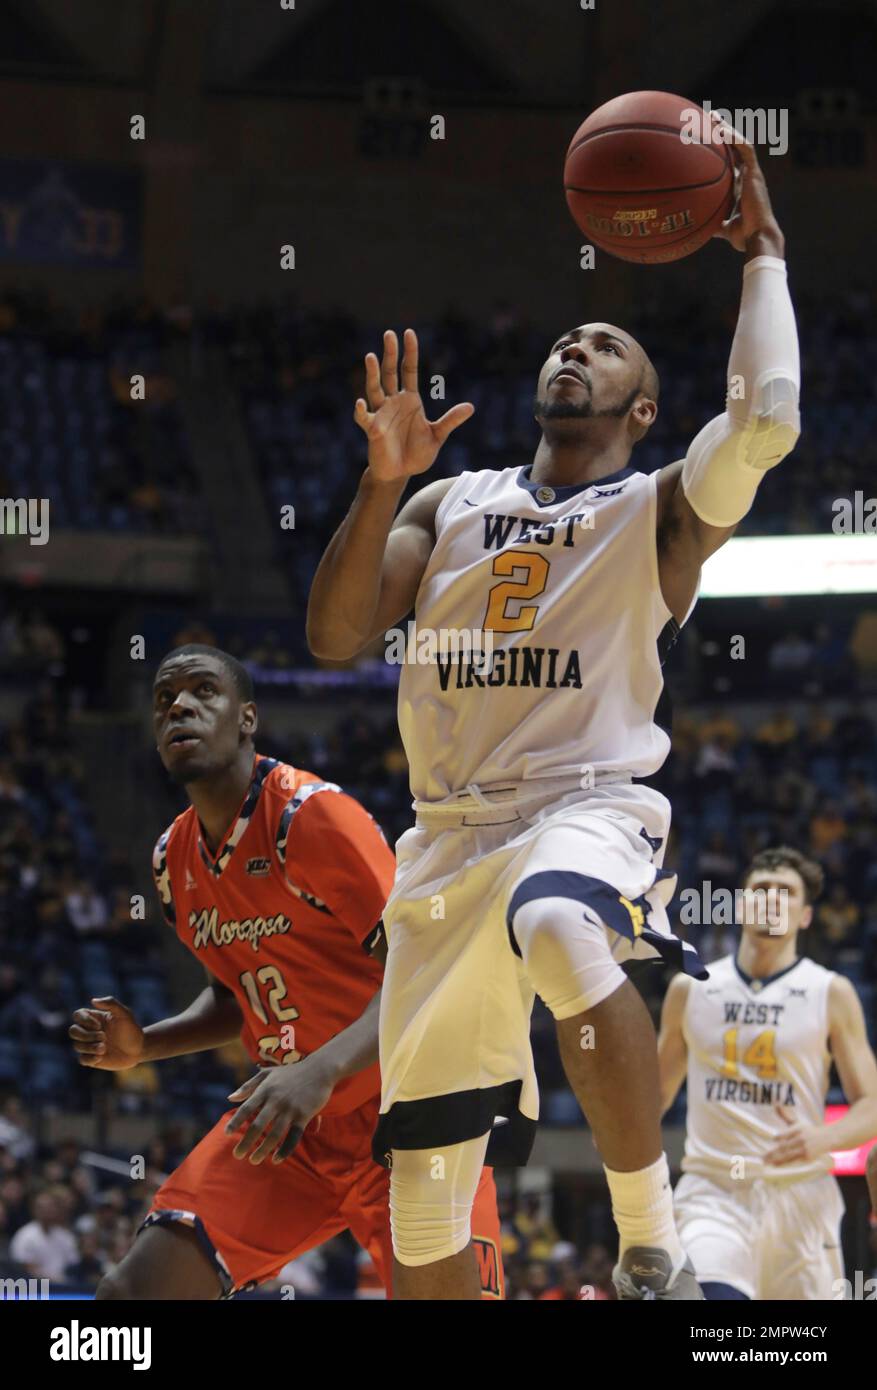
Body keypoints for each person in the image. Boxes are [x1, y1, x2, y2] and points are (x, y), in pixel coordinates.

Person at [306, 121, 799, 1299]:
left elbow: (767, 420)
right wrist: (380, 488)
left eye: (609, 347)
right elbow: (331, 634)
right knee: (424, 1197)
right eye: (569, 337)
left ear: (642, 409)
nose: (578, 347)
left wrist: (761, 253)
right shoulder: (449, 499)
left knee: (563, 923)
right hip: (445, 836)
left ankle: (649, 1243)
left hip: (587, 805)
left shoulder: (659, 508)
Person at [69, 645, 502, 1300]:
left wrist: (320, 1069)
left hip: (413, 1114)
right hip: (294, 1127)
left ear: (247, 719)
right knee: (131, 1300)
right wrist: (146, 1045)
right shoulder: (171, 860)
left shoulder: (312, 817)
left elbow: (427, 979)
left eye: (202, 691)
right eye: (164, 699)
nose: (179, 706)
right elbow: (237, 995)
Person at [658, 846, 877, 1299]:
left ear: (805, 916)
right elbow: (651, 1099)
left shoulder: (830, 992)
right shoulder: (690, 989)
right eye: (761, 889)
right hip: (714, 1192)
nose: (772, 899)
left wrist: (824, 1139)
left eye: (786, 892)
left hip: (801, 1195)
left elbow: (872, 1105)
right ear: (740, 905)